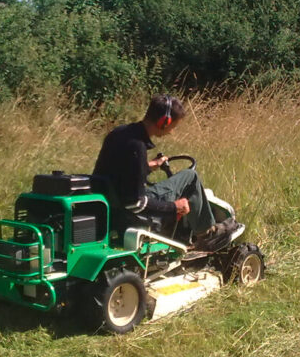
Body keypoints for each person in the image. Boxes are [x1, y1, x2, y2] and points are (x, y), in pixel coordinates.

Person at [92, 95, 232, 252]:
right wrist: (174, 207)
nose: (172, 132)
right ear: (164, 122)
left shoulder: (119, 133)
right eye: (173, 127)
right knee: (190, 177)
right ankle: (207, 235)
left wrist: (147, 166)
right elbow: (136, 203)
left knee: (186, 178)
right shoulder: (138, 146)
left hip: (112, 203)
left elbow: (120, 172)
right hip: (129, 210)